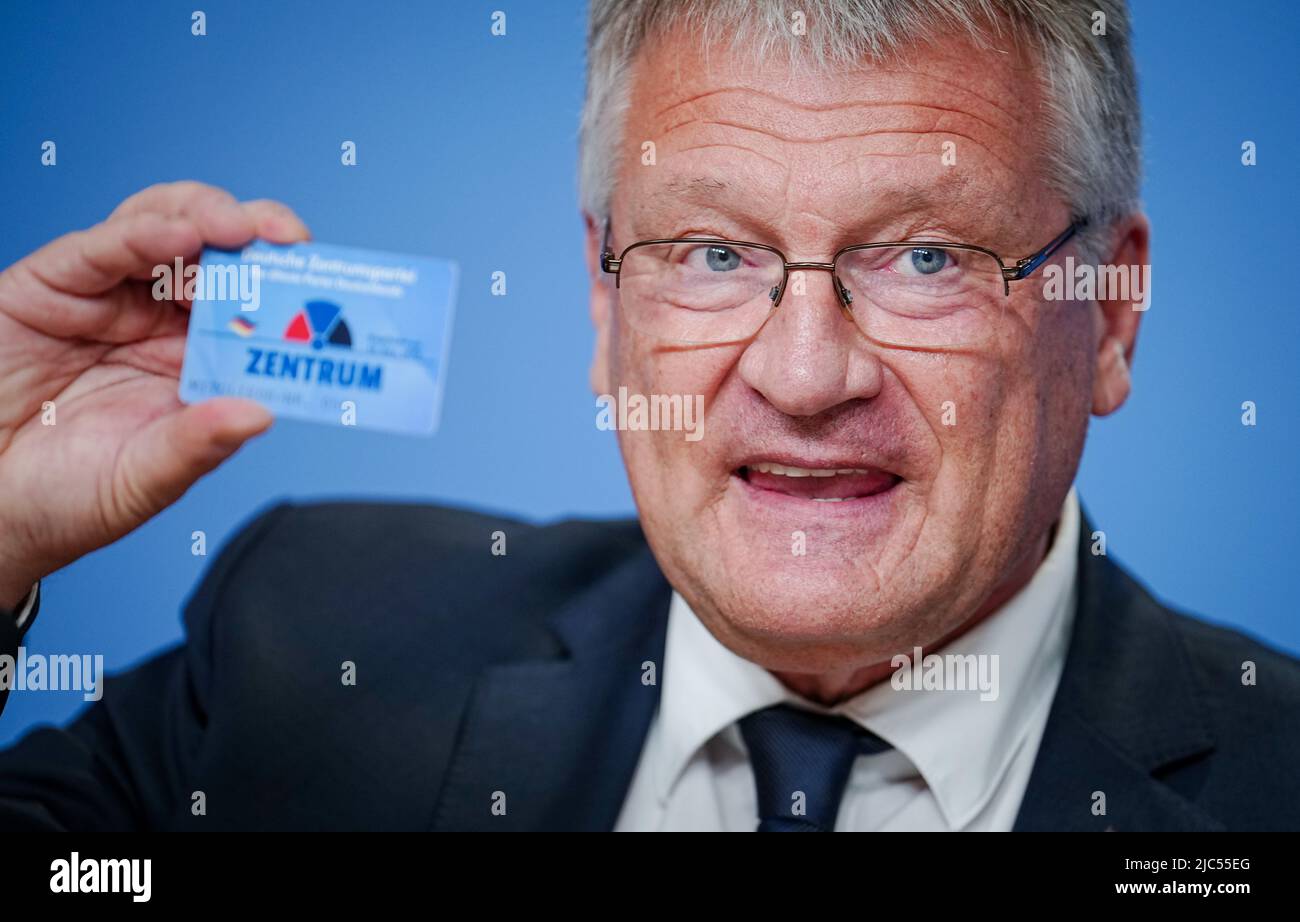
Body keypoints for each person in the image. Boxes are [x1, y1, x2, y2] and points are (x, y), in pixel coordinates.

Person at [1, 0, 1296, 831]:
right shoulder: (310, 640)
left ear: (1112, 313)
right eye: (713, 253)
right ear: (603, 294)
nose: (803, 374)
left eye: (926, 259)